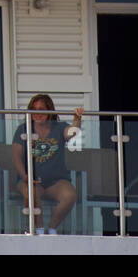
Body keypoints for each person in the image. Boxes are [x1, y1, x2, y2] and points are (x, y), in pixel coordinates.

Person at [11, 93, 84, 235]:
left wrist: (77, 119)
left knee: (70, 196)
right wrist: (24, 176)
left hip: (56, 182)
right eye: (34, 109)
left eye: (42, 109)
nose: (38, 114)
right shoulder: (23, 129)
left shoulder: (59, 127)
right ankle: (38, 230)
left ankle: (51, 229)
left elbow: (72, 133)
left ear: (50, 111)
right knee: (31, 193)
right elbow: (16, 156)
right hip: (30, 180)